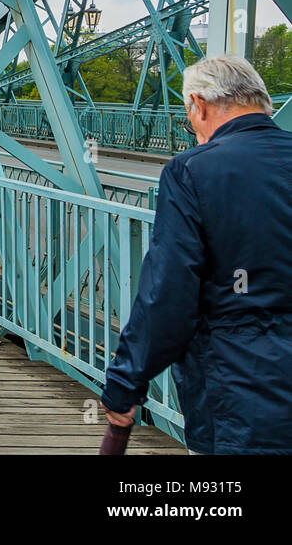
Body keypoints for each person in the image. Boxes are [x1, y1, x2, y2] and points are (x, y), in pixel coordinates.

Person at [101, 55, 292, 454]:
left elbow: (169, 294)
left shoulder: (192, 170)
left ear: (198, 105)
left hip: (240, 397)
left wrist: (124, 386)